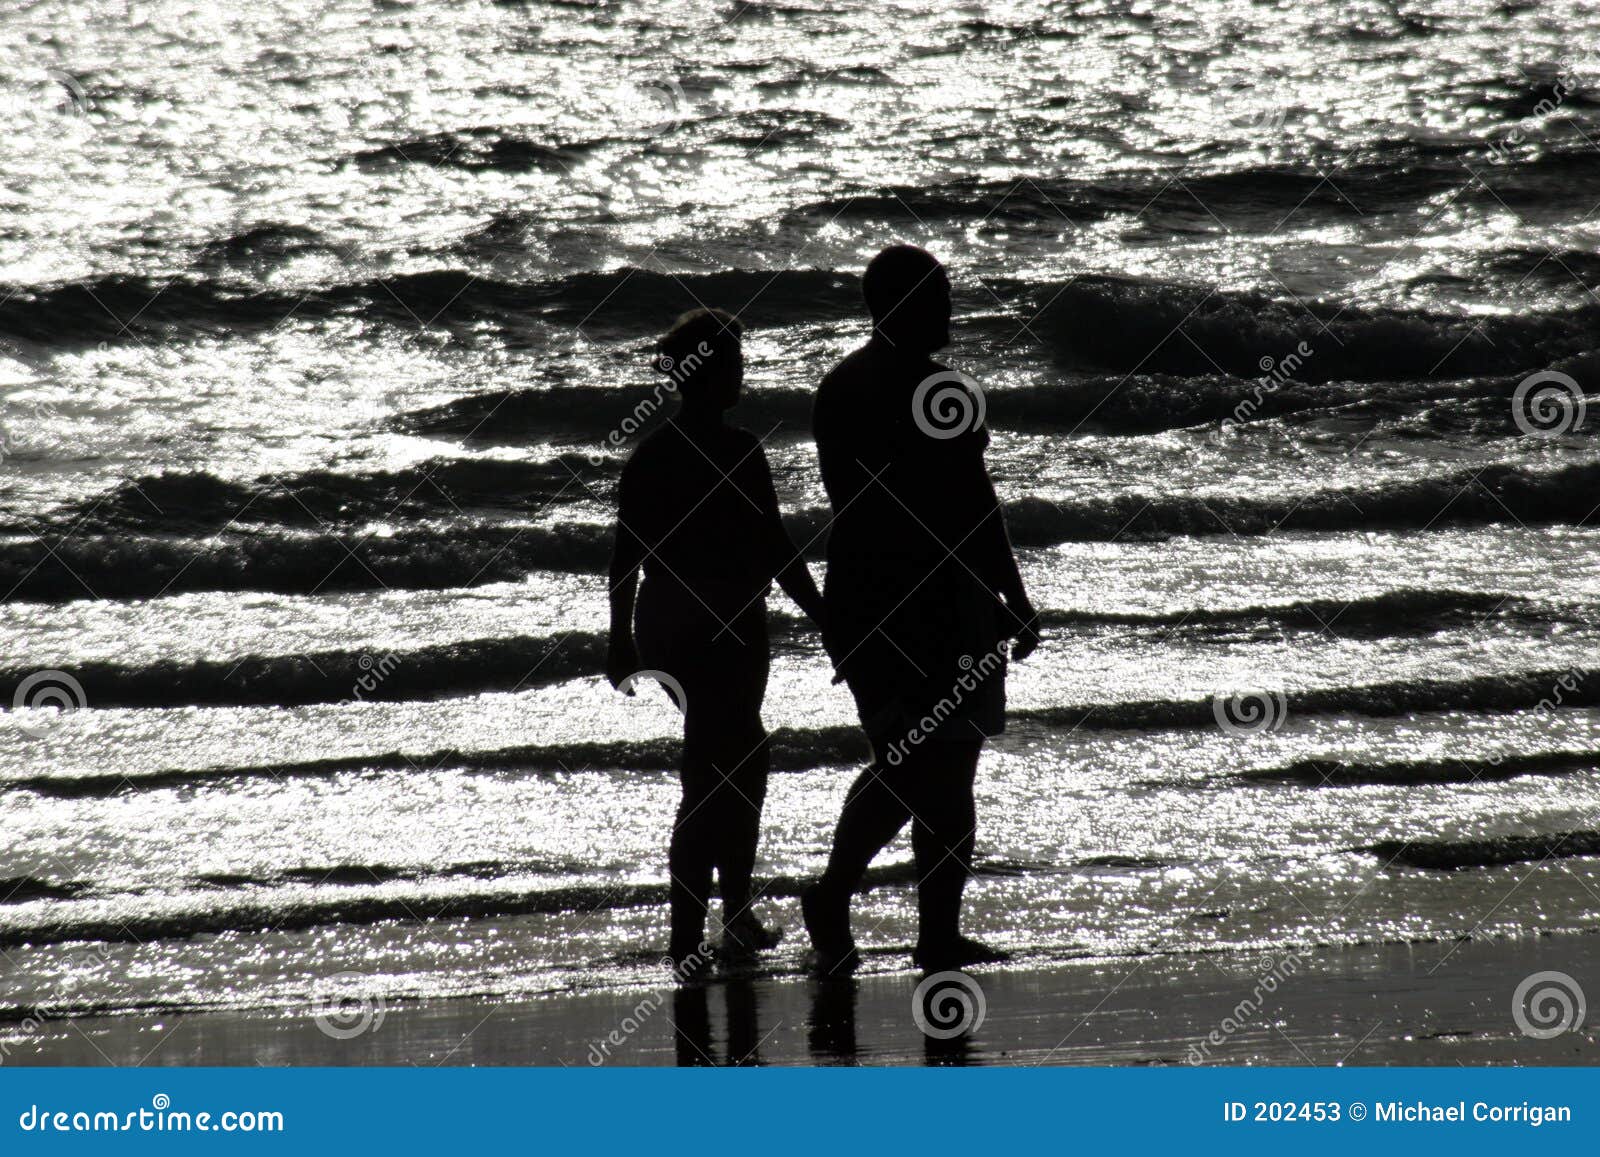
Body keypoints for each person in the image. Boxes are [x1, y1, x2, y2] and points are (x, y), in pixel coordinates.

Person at [804, 244, 1041, 974]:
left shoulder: (845, 387)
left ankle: (934, 930)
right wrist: (1010, 593)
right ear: (901, 306)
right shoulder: (917, 392)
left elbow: (963, 501)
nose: (950, 310)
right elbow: (967, 504)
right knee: (917, 763)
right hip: (909, 603)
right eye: (938, 297)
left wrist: (1007, 593)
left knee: (936, 766)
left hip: (882, 597)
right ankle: (839, 892)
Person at [607, 307, 826, 968]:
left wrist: (622, 637)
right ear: (708, 371)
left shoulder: (658, 455)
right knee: (719, 767)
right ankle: (700, 932)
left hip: (695, 622)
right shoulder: (729, 452)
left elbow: (629, 559)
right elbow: (771, 546)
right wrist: (825, 616)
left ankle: (724, 920)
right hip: (704, 627)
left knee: (726, 762)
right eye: (733, 361)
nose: (742, 372)